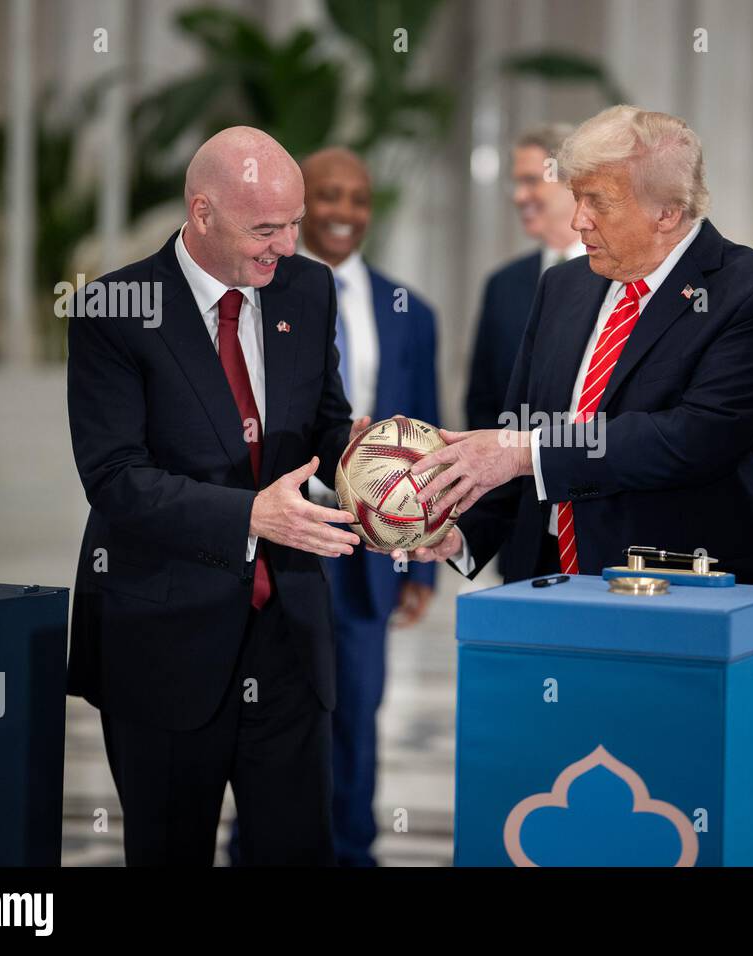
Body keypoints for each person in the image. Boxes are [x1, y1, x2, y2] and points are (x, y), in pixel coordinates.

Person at [66, 126, 369, 866]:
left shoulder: (307, 286)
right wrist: (250, 515)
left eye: (293, 223)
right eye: (266, 228)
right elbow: (115, 477)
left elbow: (324, 423)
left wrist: (381, 464)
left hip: (290, 633)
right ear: (201, 213)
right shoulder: (115, 309)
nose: (289, 245)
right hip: (164, 638)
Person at [396, 105, 753, 587]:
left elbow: (691, 440)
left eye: (598, 202)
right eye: (575, 197)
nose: (578, 221)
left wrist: (525, 451)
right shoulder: (562, 285)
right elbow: (518, 425)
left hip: (676, 588)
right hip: (546, 575)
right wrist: (462, 533)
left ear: (667, 212)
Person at [299, 146, 440, 866]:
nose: (343, 212)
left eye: (357, 199)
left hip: (370, 550)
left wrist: (423, 565)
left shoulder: (410, 311)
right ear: (300, 203)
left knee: (358, 710)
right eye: (328, 195)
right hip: (282, 542)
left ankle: (352, 851)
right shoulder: (260, 296)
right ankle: (256, 848)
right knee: (272, 716)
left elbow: (427, 435)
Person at [465, 122, 584, 433]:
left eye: (531, 181)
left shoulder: (621, 277)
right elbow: (481, 402)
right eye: (516, 183)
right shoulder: (502, 285)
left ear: (573, 182)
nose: (519, 196)